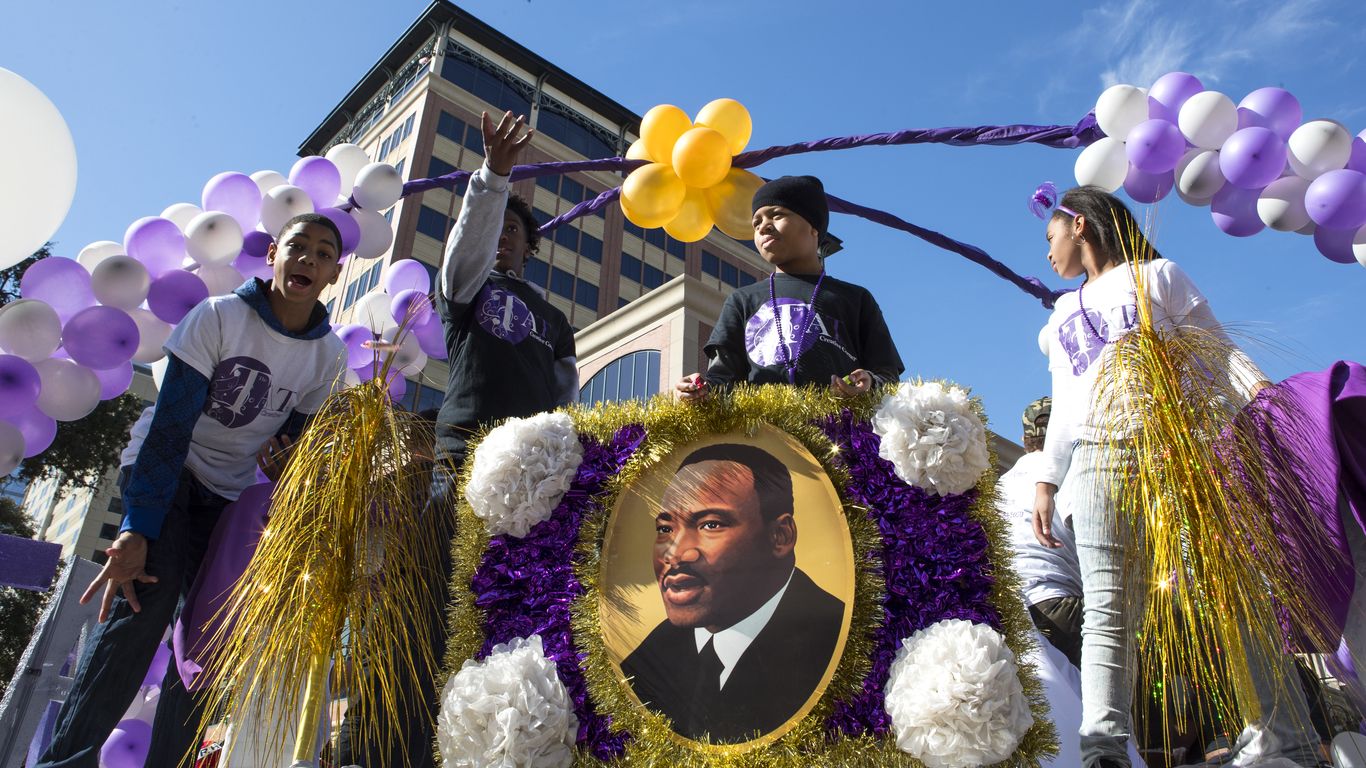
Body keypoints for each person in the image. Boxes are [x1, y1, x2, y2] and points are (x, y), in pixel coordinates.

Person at [37, 213, 347, 768]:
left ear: (334, 272)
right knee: (148, 595)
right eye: (297, 247)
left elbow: (293, 451)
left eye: (323, 254)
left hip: (228, 494)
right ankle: (67, 760)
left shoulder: (327, 357)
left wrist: (287, 468)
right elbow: (170, 430)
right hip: (166, 470)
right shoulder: (219, 315)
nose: (308, 259)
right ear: (274, 254)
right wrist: (137, 527)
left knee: (209, 640)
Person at [1030, 186, 1320, 768]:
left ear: (1079, 225)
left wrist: (1276, 409)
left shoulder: (1158, 277)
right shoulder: (1062, 313)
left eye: (1050, 237)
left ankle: (1288, 741)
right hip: (1096, 462)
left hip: (1178, 453)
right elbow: (1067, 404)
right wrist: (1047, 479)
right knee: (1110, 609)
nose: (1047, 253)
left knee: (1231, 593)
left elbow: (1219, 355)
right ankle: (1104, 749)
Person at [335, 111, 577, 768]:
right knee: (424, 612)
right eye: (492, 229)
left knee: (509, 619)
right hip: (459, 463)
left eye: (513, 233)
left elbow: (563, 406)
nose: (499, 239)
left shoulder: (555, 322)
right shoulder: (465, 292)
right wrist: (494, 175)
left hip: (531, 491)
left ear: (531, 247)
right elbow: (468, 244)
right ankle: (378, 750)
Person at [620, 443, 846, 744]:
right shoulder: (649, 658)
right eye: (665, 529)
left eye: (710, 524)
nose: (675, 554)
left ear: (781, 536)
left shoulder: (836, 643)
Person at [676, 175, 902, 401]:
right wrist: (699, 390)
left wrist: (869, 383)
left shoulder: (855, 298)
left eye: (777, 215)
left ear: (813, 227)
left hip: (840, 430)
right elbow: (722, 377)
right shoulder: (742, 300)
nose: (764, 226)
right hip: (761, 432)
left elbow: (887, 375)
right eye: (756, 223)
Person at [1000, 396, 1083, 668]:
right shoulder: (1069, 471)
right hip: (1065, 606)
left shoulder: (1001, 485)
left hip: (1017, 614)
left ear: (1025, 440)